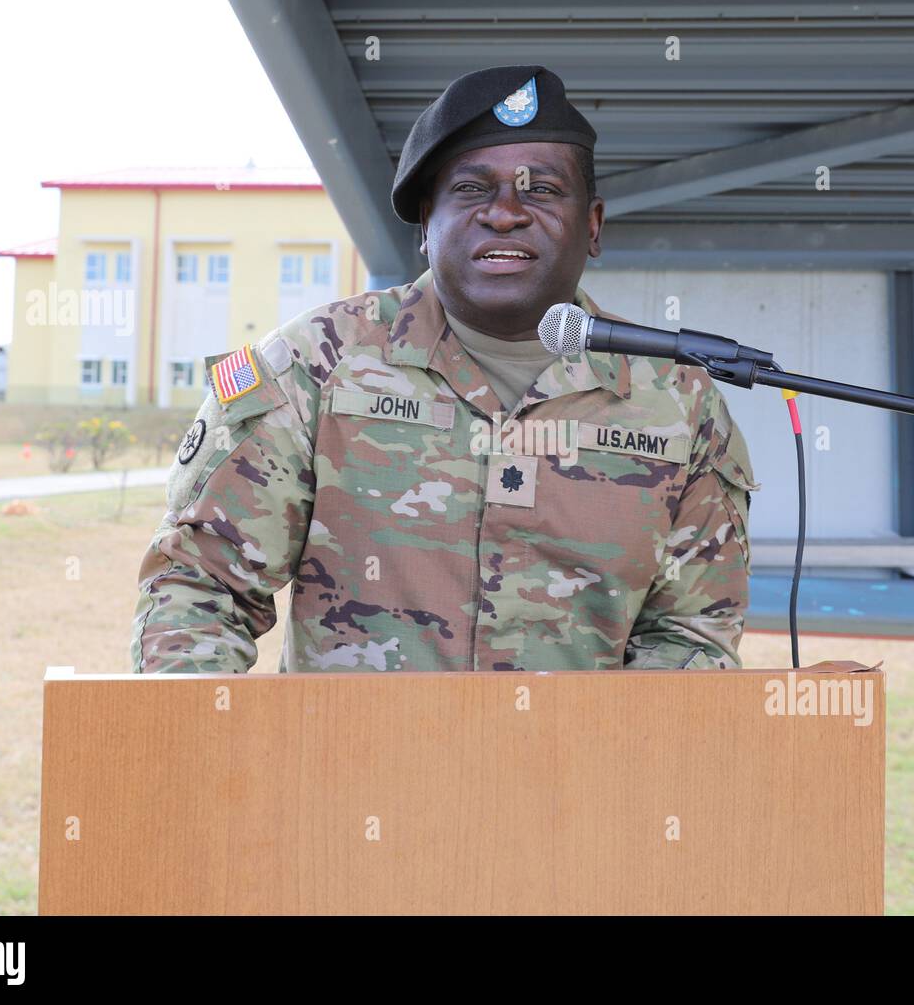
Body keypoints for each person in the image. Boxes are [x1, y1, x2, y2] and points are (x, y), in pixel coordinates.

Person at [131, 64, 758, 674]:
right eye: (471, 188)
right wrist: (206, 754)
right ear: (426, 226)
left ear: (591, 226)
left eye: (541, 188)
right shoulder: (317, 363)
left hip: (572, 776)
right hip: (346, 775)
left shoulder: (678, 400)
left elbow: (688, 637)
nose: (505, 212)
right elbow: (201, 588)